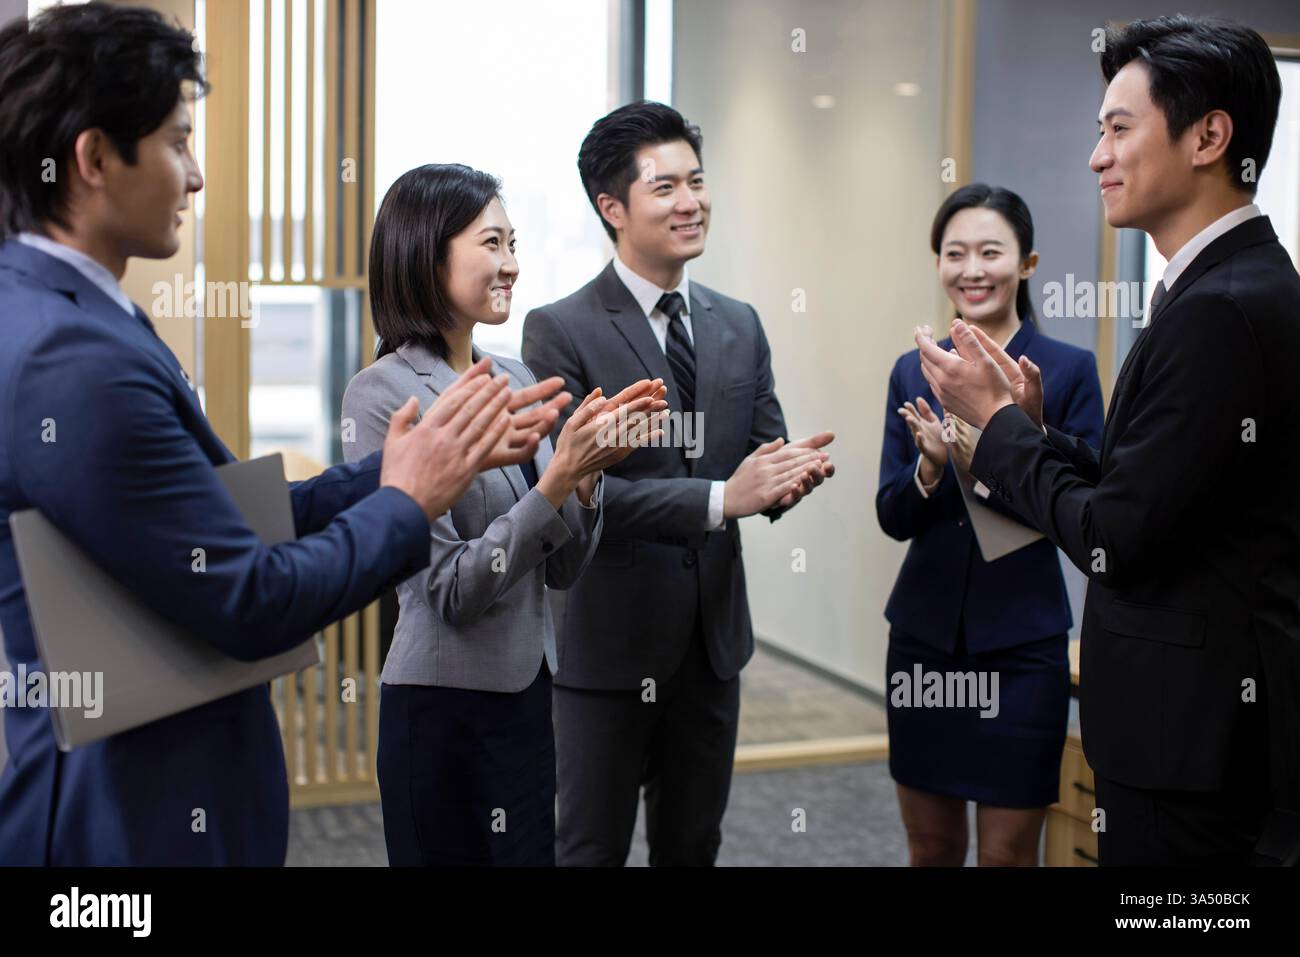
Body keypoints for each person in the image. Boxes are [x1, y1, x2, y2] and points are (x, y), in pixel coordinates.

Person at [0, 3, 564, 865]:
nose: (195, 176)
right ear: (93, 158)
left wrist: (405, 467)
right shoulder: (70, 354)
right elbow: (247, 598)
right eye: (179, 142)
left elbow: (222, 516)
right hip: (130, 806)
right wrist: (407, 499)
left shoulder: (75, 315)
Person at [916, 15, 1300, 866]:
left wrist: (1000, 428)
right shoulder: (1221, 286)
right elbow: (1156, 496)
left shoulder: (1219, 309)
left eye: (1118, 129)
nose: (1097, 157)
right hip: (1198, 732)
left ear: (1208, 136)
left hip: (1194, 744)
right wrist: (1042, 436)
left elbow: (1113, 540)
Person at [522, 100, 835, 866]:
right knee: (588, 848)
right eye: (665, 187)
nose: (691, 202)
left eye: (696, 181)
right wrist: (726, 497)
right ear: (612, 207)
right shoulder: (559, 328)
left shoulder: (739, 323)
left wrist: (788, 475)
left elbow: (763, 449)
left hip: (712, 641)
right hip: (607, 644)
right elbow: (574, 495)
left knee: (693, 843)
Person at [342, 164, 665, 866]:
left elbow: (565, 567)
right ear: (427, 254)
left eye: (513, 243)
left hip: (525, 697)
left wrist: (584, 479)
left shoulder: (514, 375)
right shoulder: (381, 394)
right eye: (492, 243)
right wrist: (554, 482)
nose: (512, 264)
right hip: (440, 709)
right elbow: (451, 592)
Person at [877, 184, 1103, 865]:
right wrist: (931, 470)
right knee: (932, 848)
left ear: (1026, 263)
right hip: (924, 640)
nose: (971, 269)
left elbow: (1087, 507)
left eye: (990, 251)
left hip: (1023, 644)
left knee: (1007, 855)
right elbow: (892, 515)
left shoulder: (1065, 370)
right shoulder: (911, 369)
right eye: (955, 253)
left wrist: (1017, 442)